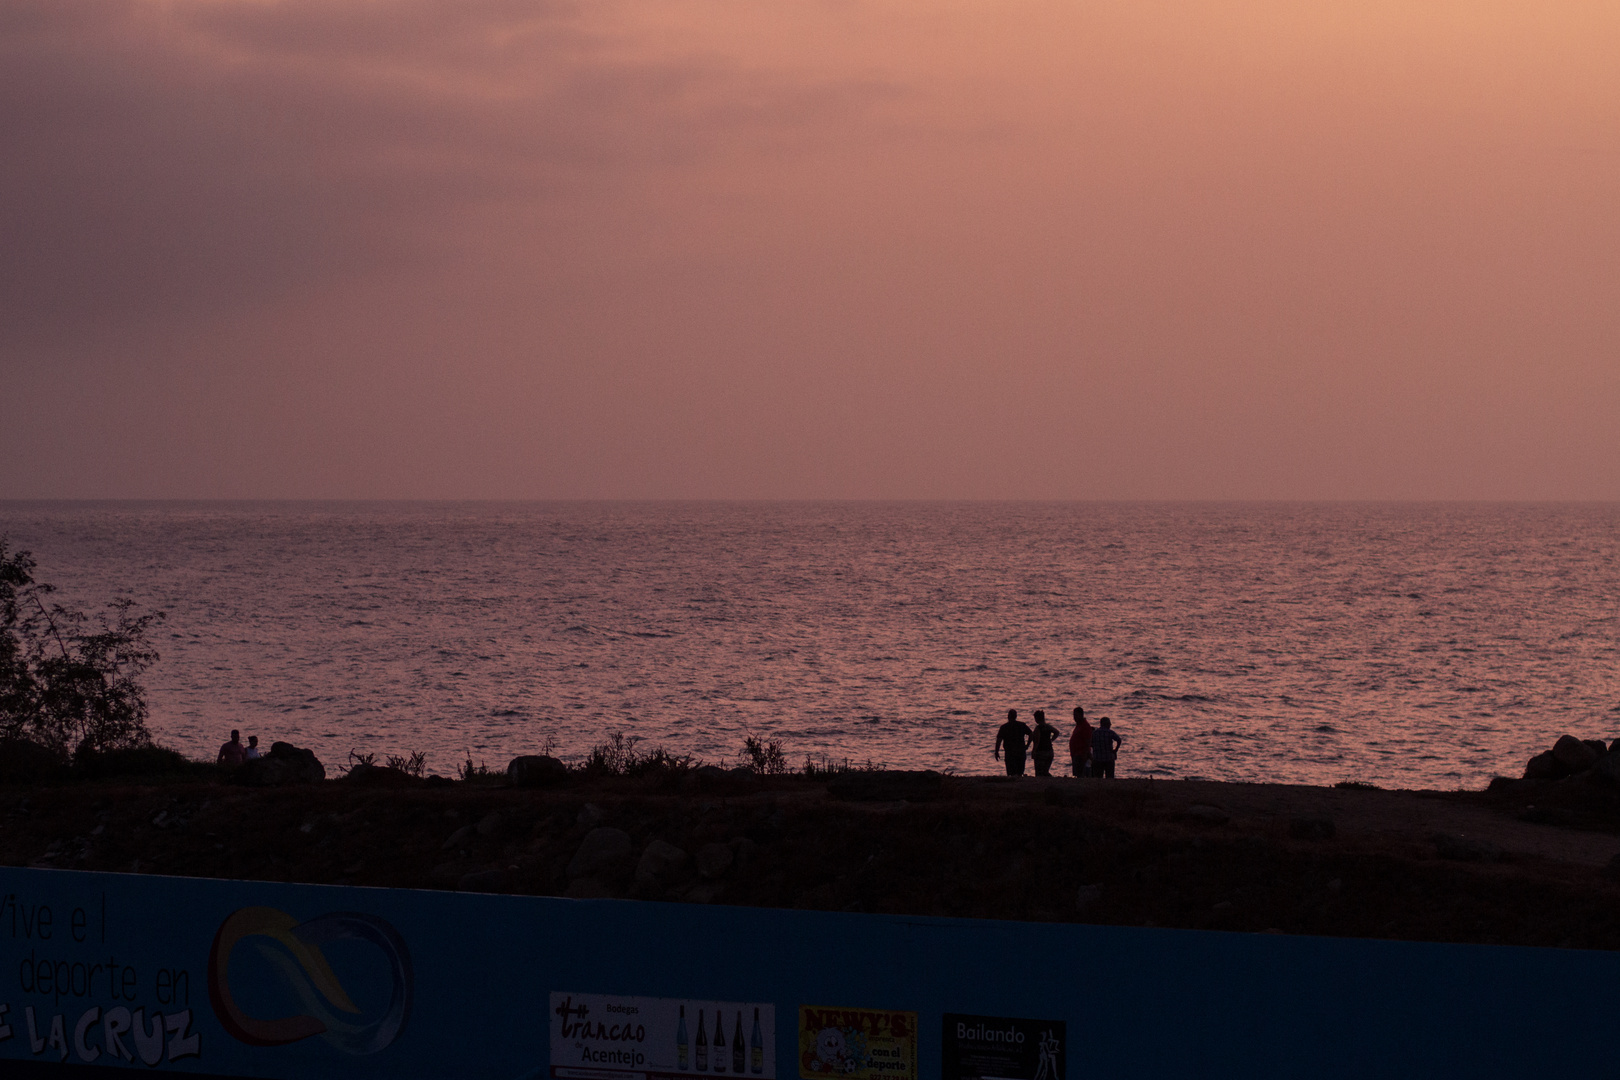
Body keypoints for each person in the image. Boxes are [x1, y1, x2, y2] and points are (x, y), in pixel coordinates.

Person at [993, 709, 1032, 777]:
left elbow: (999, 740)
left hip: (1010, 752)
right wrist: (1027, 745)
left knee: (1010, 773)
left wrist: (996, 751)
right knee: (1020, 772)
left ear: (1008, 716)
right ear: (1016, 716)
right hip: (1020, 751)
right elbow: (1031, 734)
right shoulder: (1022, 725)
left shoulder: (1004, 727)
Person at [1030, 709, 1060, 777]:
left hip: (1041, 752)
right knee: (1045, 771)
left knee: (1039, 772)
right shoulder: (1048, 727)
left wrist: (1034, 751)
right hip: (1049, 751)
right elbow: (1057, 732)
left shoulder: (1038, 728)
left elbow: (1037, 741)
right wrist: (1051, 740)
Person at [1069, 706, 1093, 777]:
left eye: (1076, 715)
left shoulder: (1085, 726)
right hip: (1076, 753)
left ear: (1081, 715)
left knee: (1081, 773)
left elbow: (1088, 741)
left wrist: (1085, 754)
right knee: (1077, 773)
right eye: (1074, 715)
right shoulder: (1079, 725)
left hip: (1081, 754)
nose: (1074, 717)